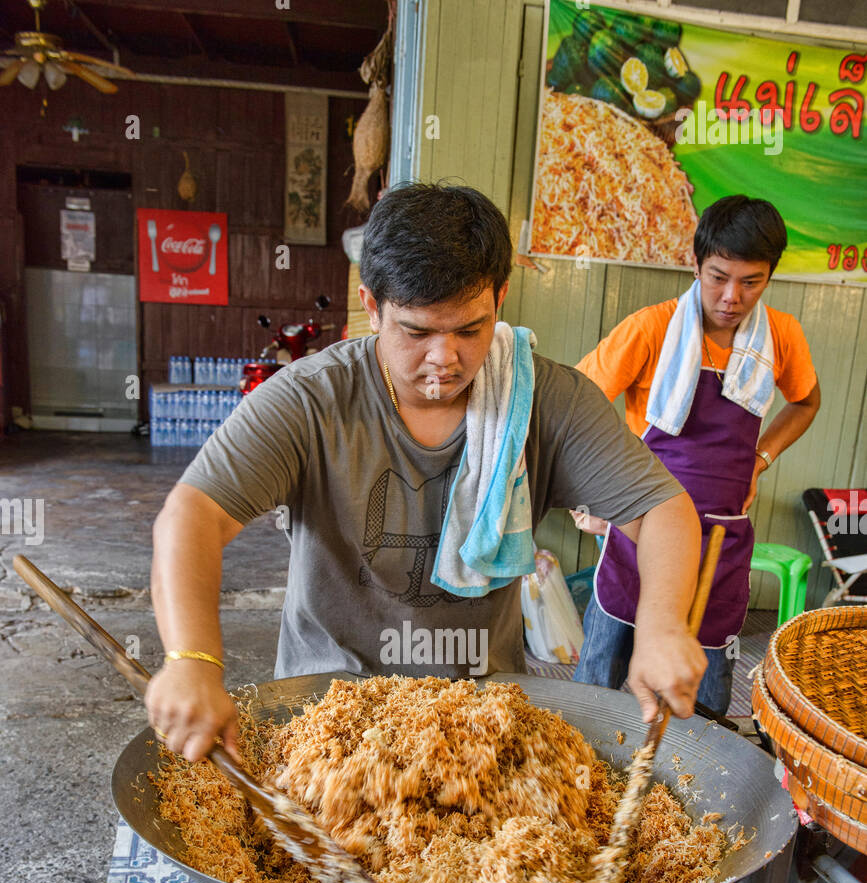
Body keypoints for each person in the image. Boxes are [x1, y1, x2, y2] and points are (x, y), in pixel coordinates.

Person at [146, 182, 704, 764]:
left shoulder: (544, 399)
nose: (445, 358)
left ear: (501, 297)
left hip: (478, 722)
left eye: (470, 329)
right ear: (371, 305)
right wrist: (192, 661)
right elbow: (193, 514)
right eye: (416, 332)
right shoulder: (312, 399)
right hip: (328, 719)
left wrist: (663, 624)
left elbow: (662, 509)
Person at [573, 195, 820, 716]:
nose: (732, 297)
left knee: (704, 701)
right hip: (640, 534)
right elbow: (576, 402)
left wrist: (762, 457)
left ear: (769, 276)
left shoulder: (780, 337)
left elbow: (806, 402)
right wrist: (593, 490)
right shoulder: (652, 329)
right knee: (596, 684)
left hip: (719, 542)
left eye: (750, 282)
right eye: (718, 277)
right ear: (696, 264)